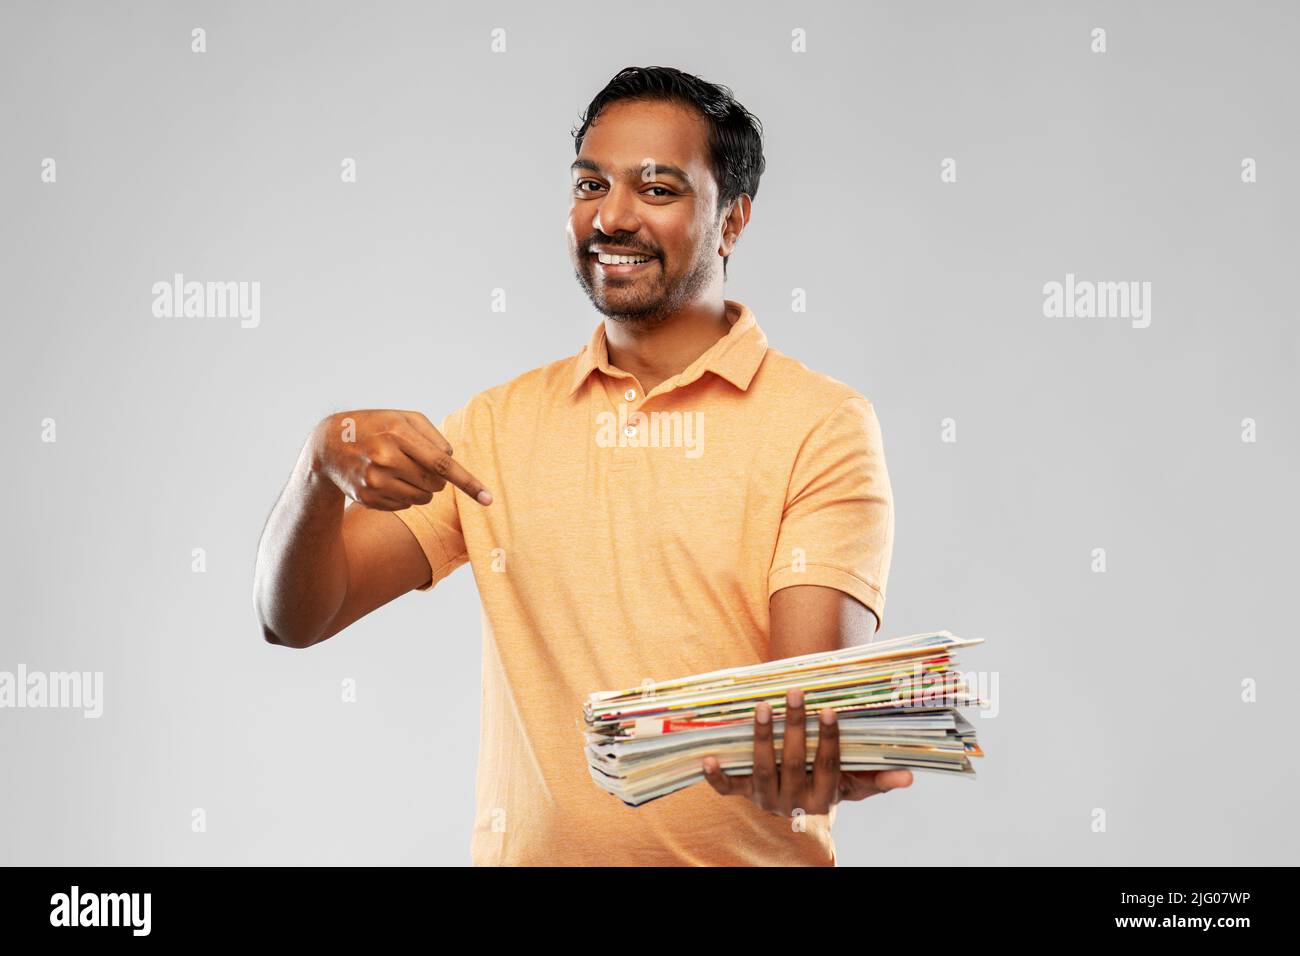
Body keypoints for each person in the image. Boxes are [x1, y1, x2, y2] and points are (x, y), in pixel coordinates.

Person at [253, 65, 910, 866]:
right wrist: (320, 466)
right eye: (591, 184)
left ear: (732, 220)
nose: (613, 216)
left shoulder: (820, 424)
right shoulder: (498, 425)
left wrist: (808, 742)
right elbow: (294, 618)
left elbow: (799, 700)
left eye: (659, 189)